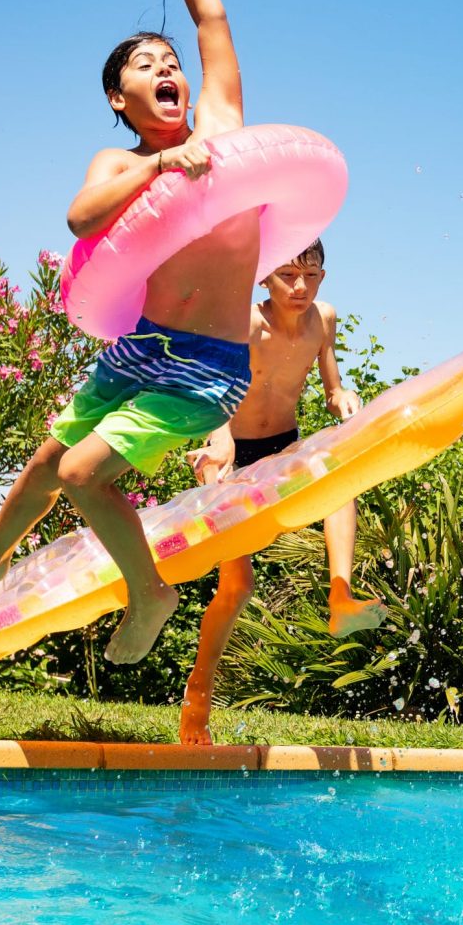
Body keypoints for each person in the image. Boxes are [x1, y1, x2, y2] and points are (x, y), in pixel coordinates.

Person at [0, 0, 259, 665]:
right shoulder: (119, 160)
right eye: (144, 64)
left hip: (205, 366)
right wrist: (159, 168)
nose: (167, 68)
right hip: (141, 347)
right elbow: (80, 216)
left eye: (170, 61)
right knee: (44, 460)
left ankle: (150, 590)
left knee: (82, 471)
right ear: (116, 97)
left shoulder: (227, 127)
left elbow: (213, 15)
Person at [178, 241, 384, 744]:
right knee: (237, 587)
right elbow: (214, 389)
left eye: (311, 276)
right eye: (287, 275)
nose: (300, 287)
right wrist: (220, 437)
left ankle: (341, 597)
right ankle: (196, 705)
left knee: (339, 483)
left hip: (281, 447)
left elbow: (331, 387)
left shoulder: (323, 319)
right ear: (263, 279)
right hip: (228, 449)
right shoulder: (247, 323)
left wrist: (344, 398)